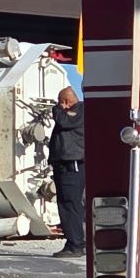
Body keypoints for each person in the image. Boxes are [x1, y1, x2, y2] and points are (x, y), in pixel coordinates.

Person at [49, 86, 86, 258]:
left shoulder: (79, 111)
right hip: (67, 166)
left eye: (60, 102)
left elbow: (64, 121)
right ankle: (77, 241)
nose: (59, 106)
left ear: (65, 101)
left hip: (71, 166)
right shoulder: (75, 112)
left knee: (69, 205)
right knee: (70, 204)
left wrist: (56, 109)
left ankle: (75, 244)